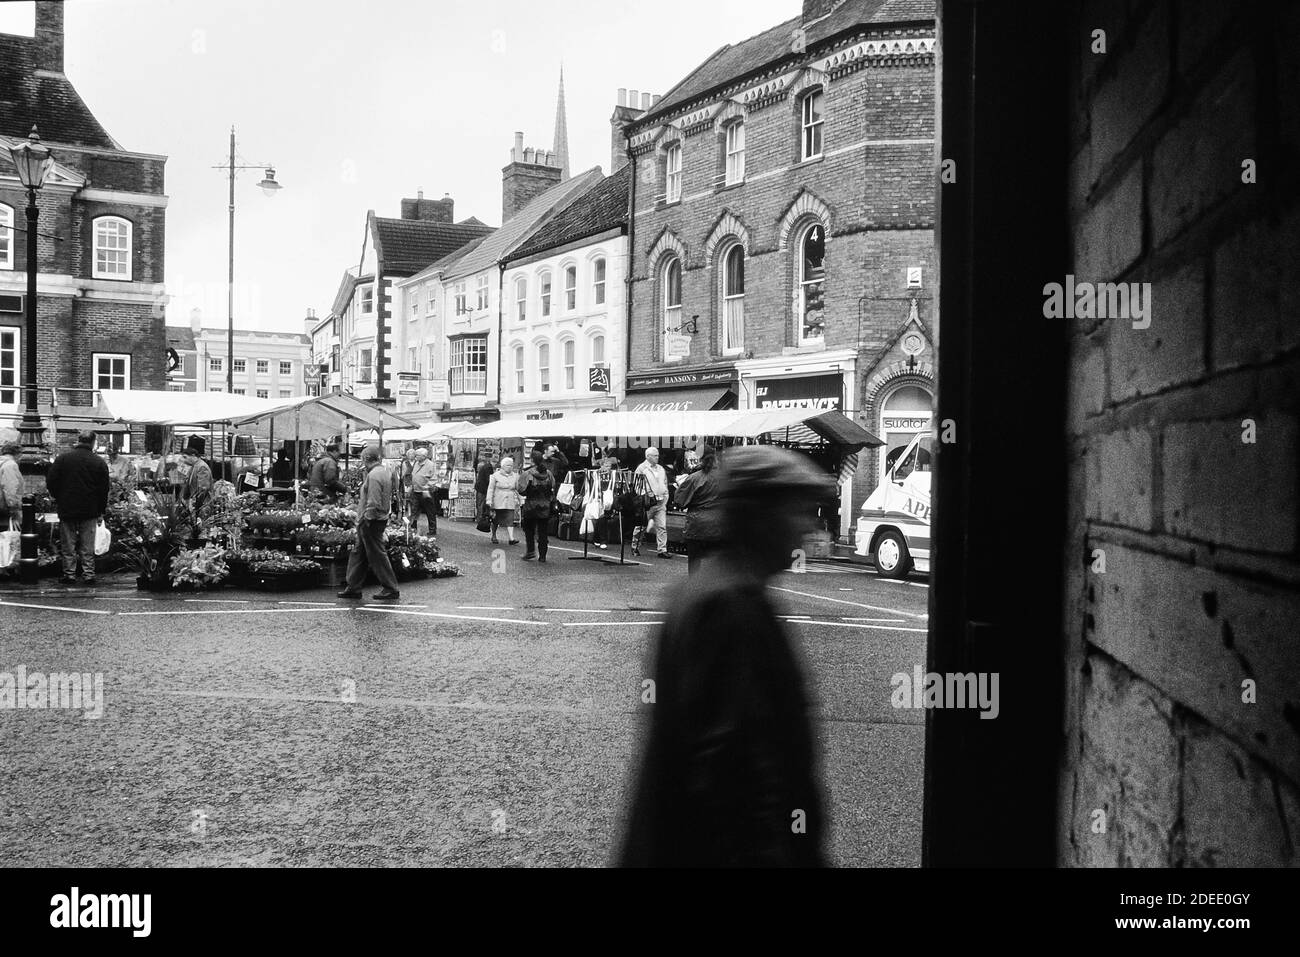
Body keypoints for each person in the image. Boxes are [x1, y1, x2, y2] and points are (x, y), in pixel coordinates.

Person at [617, 445, 836, 867]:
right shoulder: (731, 606)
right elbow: (738, 774)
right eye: (798, 511)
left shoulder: (712, 589)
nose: (806, 528)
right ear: (760, 515)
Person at [45, 430, 111, 585]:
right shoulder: (98, 462)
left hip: (67, 507)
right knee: (87, 545)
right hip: (90, 509)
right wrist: (101, 510)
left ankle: (69, 574)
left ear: (78, 440)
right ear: (93, 442)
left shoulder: (63, 459)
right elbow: (104, 489)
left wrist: (58, 497)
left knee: (68, 544)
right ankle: (88, 574)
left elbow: (51, 481)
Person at [336, 444, 401, 602]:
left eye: (362, 458)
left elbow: (373, 500)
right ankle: (353, 586)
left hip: (371, 520)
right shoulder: (384, 472)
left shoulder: (374, 475)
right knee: (360, 553)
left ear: (366, 458)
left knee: (376, 554)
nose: (361, 461)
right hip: (376, 518)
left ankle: (390, 587)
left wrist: (367, 519)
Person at [673, 445, 724, 574]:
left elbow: (680, 501)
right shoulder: (724, 478)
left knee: (695, 565)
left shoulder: (695, 478)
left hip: (697, 526)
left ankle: (694, 590)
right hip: (718, 525)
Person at [517, 449, 555, 562]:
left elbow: (521, 490)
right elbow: (553, 488)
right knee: (543, 532)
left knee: (529, 530)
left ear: (532, 460)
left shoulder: (528, 474)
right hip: (545, 506)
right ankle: (542, 556)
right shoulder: (548, 474)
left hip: (531, 506)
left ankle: (530, 552)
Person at [634, 446, 672, 559]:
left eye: (658, 455)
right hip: (648, 503)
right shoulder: (641, 468)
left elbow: (665, 482)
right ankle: (635, 546)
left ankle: (662, 550)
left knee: (662, 527)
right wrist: (645, 496)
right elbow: (637, 485)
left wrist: (666, 496)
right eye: (655, 455)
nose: (657, 457)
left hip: (660, 502)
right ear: (648, 456)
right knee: (641, 526)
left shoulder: (661, 468)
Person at [485, 455, 520, 546]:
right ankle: (493, 535)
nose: (510, 467)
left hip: (510, 500)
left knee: (510, 519)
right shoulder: (495, 476)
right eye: (508, 465)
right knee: (496, 519)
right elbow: (490, 489)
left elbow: (517, 489)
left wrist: (521, 499)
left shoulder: (515, 476)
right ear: (502, 466)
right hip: (498, 500)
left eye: (512, 465)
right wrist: (489, 500)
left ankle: (511, 538)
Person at [409, 447, 439, 536]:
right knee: (414, 510)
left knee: (430, 511)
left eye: (417, 455)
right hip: (416, 490)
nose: (415, 457)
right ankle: (413, 527)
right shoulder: (416, 463)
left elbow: (434, 478)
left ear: (424, 456)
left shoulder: (430, 464)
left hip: (426, 491)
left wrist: (427, 486)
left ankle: (432, 529)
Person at [178, 437, 213, 508]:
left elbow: (203, 488)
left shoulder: (202, 467)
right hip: (194, 502)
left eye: (185, 457)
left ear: (193, 456)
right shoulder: (194, 466)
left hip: (201, 504)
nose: (184, 460)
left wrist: (194, 503)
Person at [0, 440, 23, 529]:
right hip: (4, 511)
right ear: (18, 454)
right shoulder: (10, 465)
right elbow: (10, 489)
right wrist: (13, 512)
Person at [474, 453, 494, 525]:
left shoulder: (484, 466)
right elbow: (489, 479)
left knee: (479, 504)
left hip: (480, 487)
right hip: (483, 488)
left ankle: (479, 518)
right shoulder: (488, 467)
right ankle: (481, 519)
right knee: (482, 504)